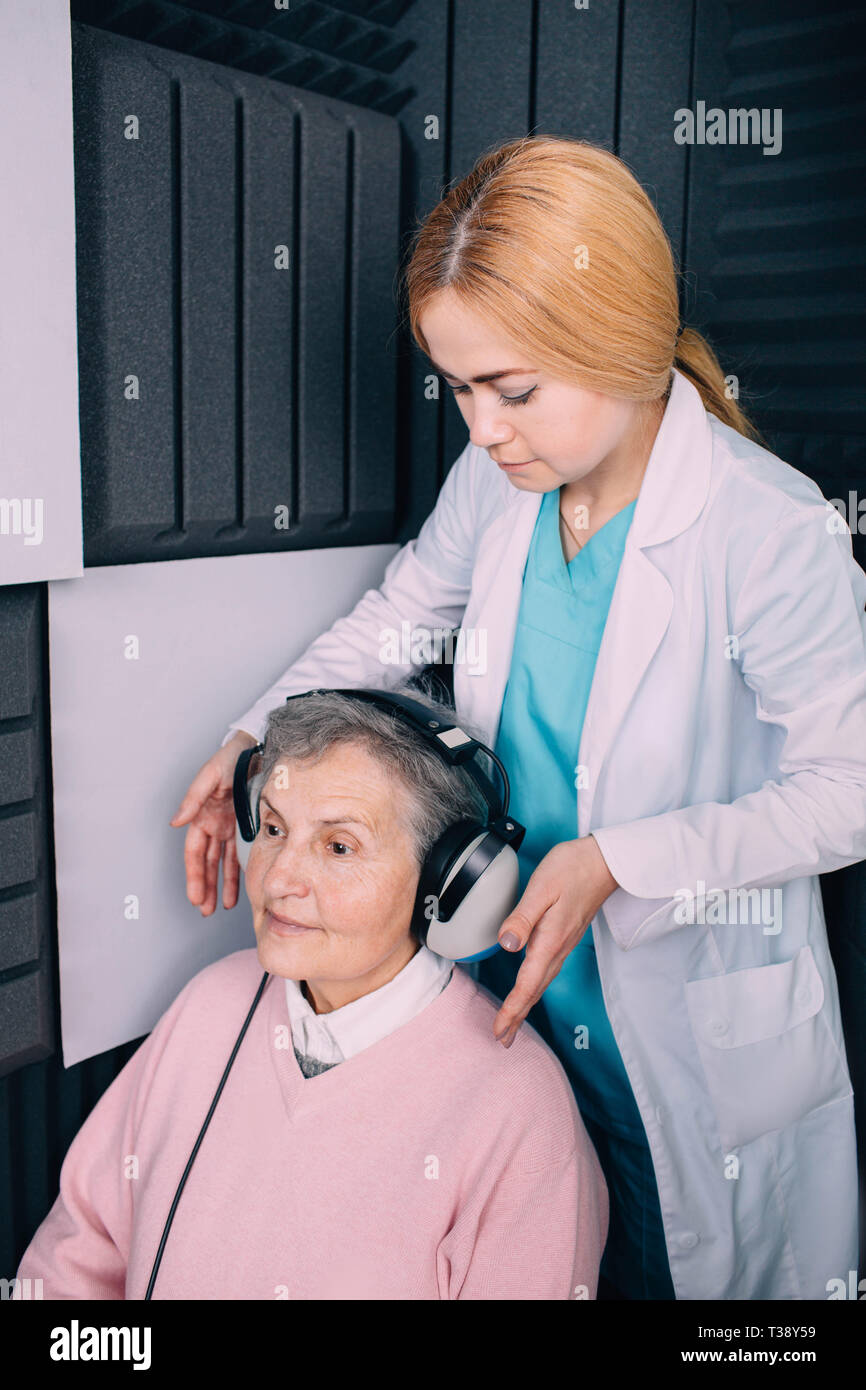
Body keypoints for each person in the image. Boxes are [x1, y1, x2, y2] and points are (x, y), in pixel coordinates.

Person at [170, 135, 866, 1299]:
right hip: (512, 1004)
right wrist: (257, 731)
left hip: (685, 1045)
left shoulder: (768, 532)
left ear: (623, 343)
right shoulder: (500, 485)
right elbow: (400, 615)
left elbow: (847, 791)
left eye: (512, 389)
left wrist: (619, 861)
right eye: (456, 387)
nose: (480, 428)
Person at [15, 686, 608, 1300]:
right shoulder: (209, 1004)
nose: (278, 877)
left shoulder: (522, 1114)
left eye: (338, 846)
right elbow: (72, 1264)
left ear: (446, 885)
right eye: (273, 827)